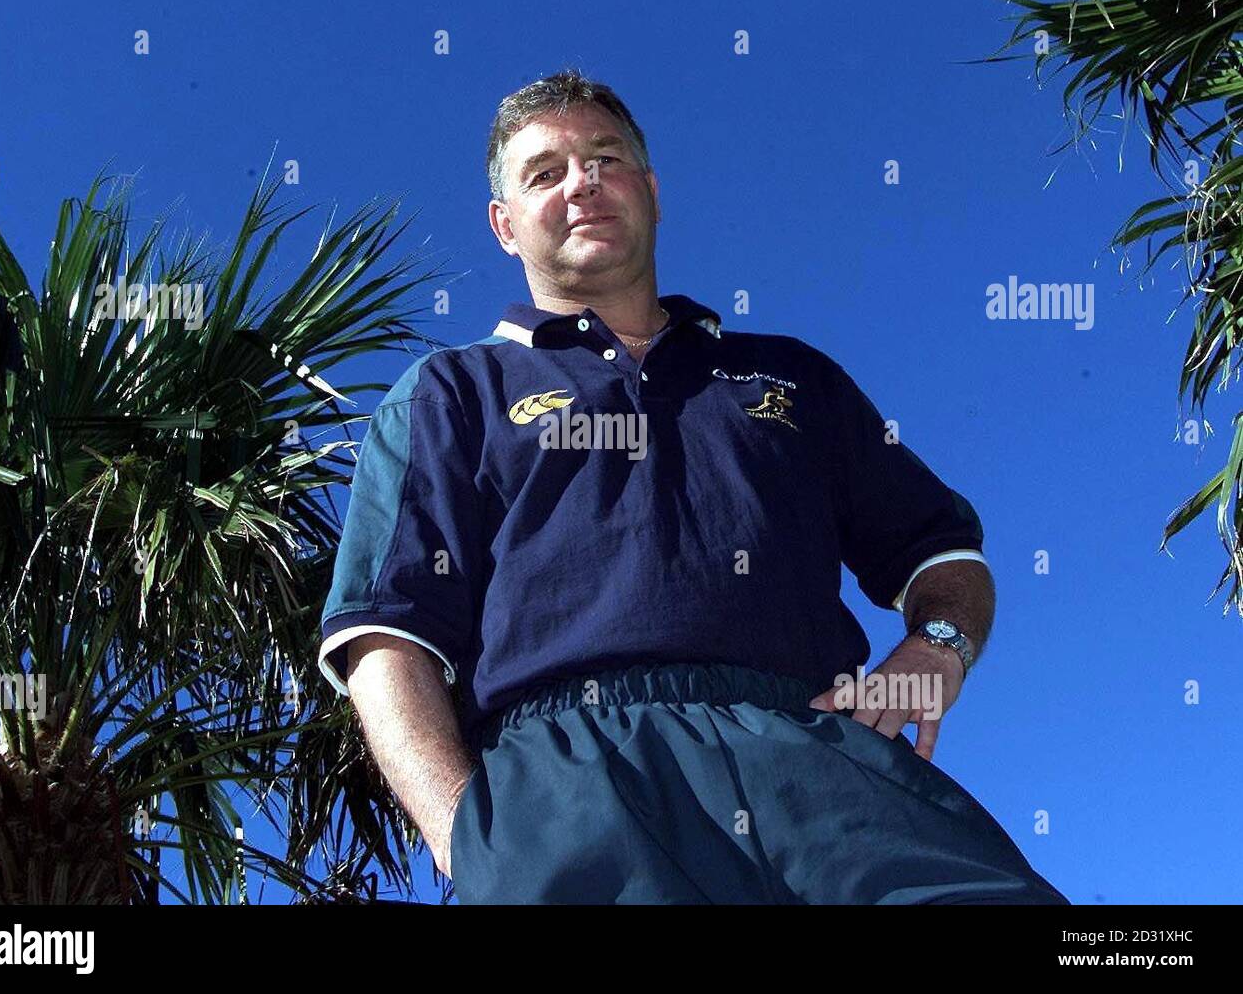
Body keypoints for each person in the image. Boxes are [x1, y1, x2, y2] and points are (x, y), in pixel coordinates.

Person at [317, 68, 1069, 905]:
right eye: (545, 172)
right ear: (504, 224)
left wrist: (939, 650)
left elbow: (944, 552)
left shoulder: (793, 375)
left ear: (652, 191)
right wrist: (467, 836)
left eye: (607, 159)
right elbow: (387, 638)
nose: (583, 183)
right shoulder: (449, 392)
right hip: (570, 782)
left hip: (825, 754)